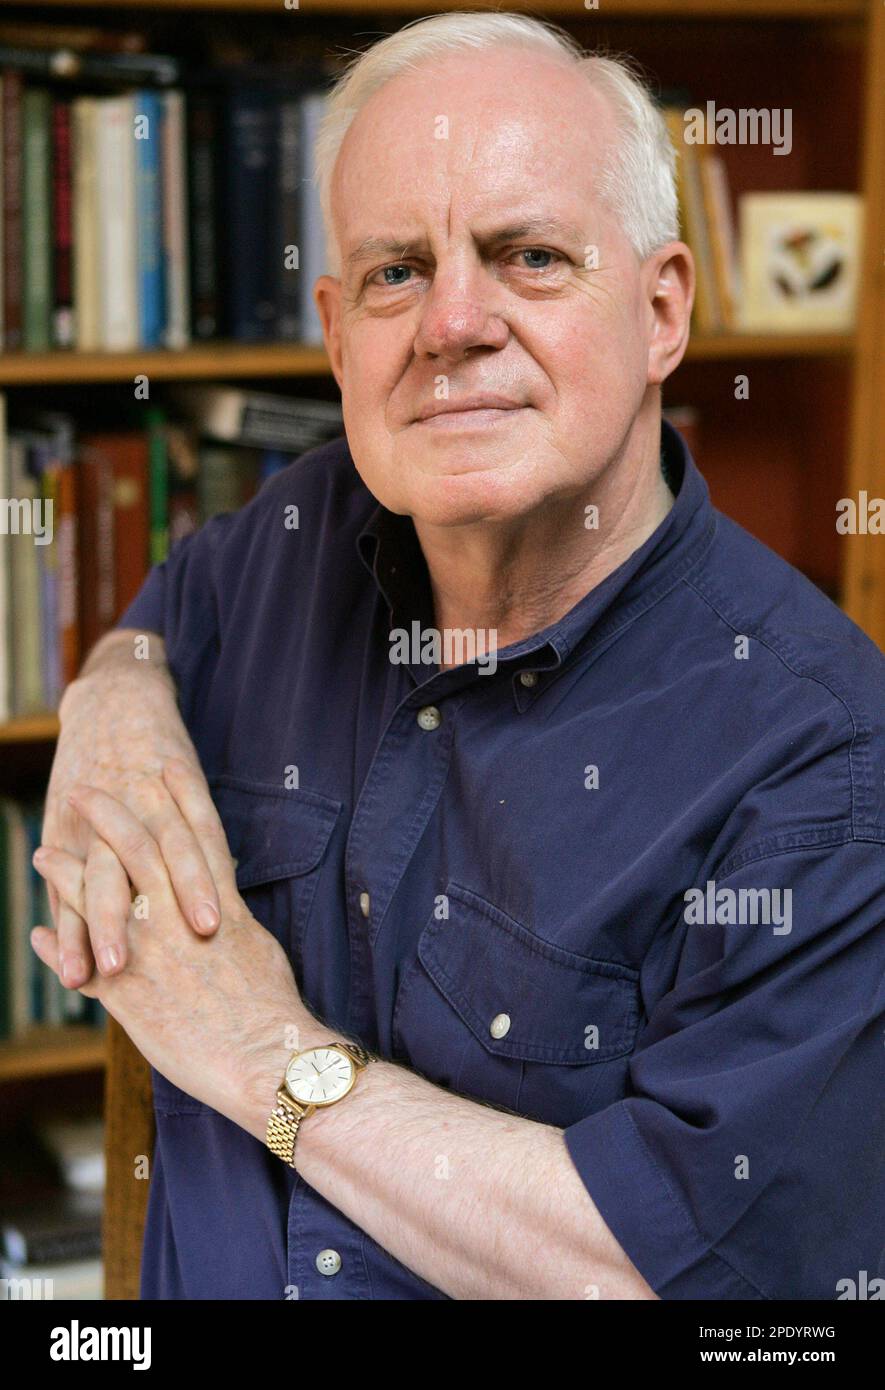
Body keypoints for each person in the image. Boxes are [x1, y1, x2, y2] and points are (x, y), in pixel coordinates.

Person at [34, 13, 885, 1300]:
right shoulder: (286, 537)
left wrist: (255, 1052)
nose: (452, 322)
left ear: (663, 312)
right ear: (336, 339)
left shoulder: (824, 764)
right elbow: (157, 623)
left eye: (527, 256)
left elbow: (697, 1286)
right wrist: (113, 693)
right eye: (394, 273)